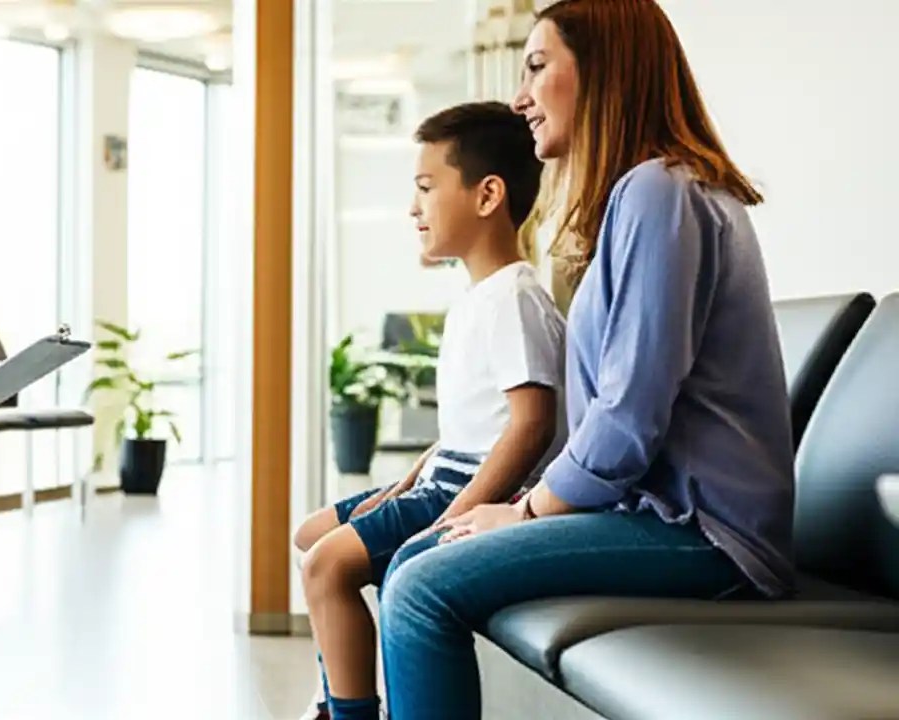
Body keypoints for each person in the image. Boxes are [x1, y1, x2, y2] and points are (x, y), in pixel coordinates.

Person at [376, 1, 797, 718]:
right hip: (662, 515)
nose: (521, 98)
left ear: (601, 74)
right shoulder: (652, 192)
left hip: (703, 534)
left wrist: (528, 508)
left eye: (538, 68)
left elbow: (629, 417)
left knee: (420, 586)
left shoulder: (659, 191)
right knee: (418, 561)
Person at [294, 102, 567, 720]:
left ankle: (351, 713)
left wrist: (454, 516)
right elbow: (467, 425)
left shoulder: (515, 299)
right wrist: (403, 484)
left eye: (425, 188)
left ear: (487, 194)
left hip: (475, 491)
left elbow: (531, 425)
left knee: (326, 564)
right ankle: (337, 694)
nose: (413, 209)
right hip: (443, 477)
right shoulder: (477, 297)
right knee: (313, 535)